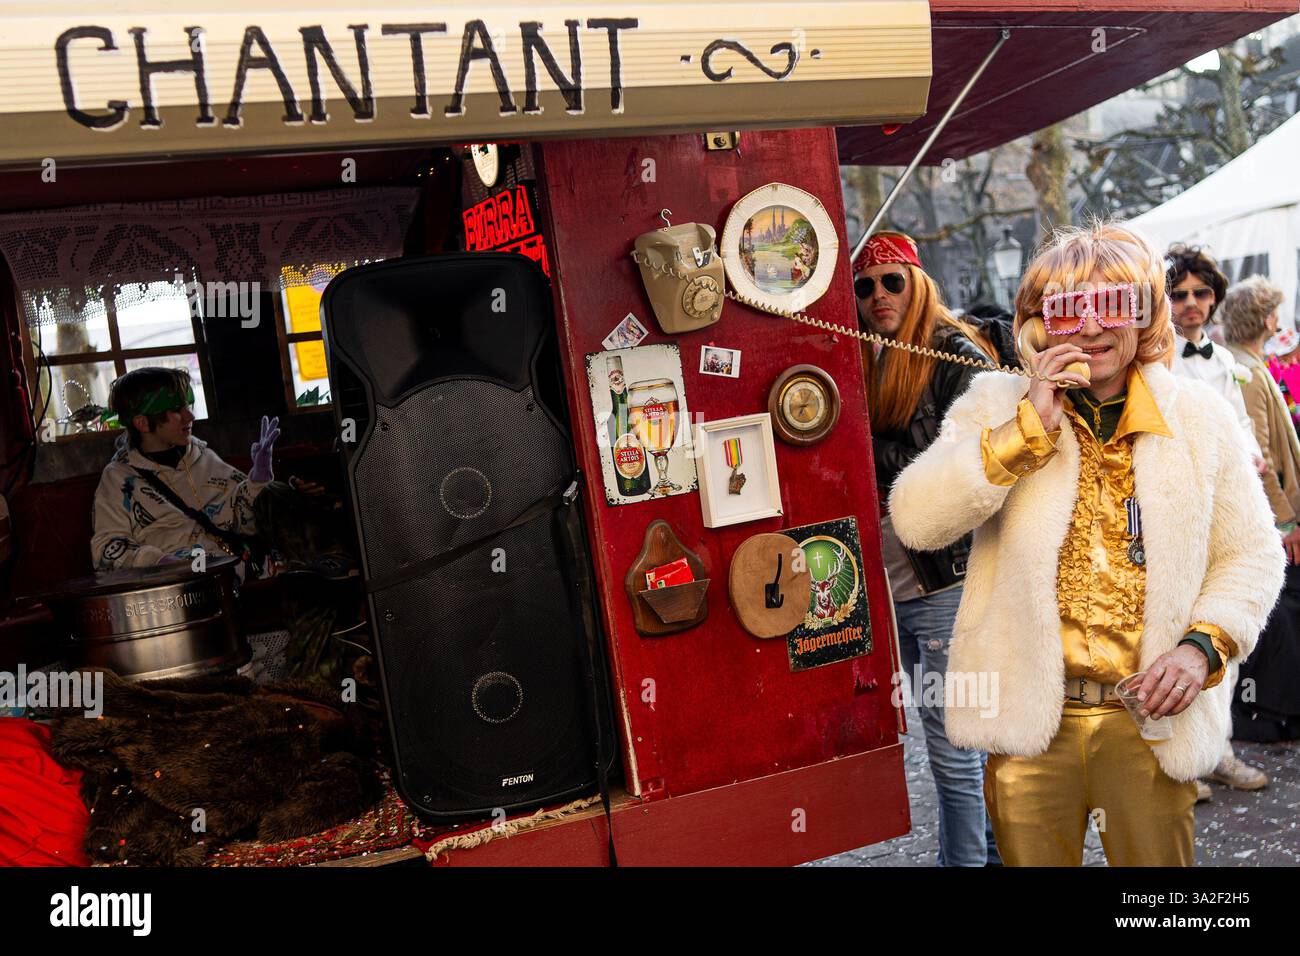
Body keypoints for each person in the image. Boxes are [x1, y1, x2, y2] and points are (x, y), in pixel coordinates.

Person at [888, 222, 1284, 866]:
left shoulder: (1197, 417)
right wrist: (1022, 431)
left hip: (1150, 722)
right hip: (1028, 723)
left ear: (1145, 314)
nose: (1092, 328)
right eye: (1071, 309)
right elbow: (916, 519)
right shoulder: (997, 402)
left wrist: (1202, 647)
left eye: (1114, 305)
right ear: (1041, 321)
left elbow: (1252, 553)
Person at [855, 230, 1002, 867]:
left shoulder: (954, 352)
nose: (878, 295)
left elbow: (973, 461)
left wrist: (863, 449)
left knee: (951, 748)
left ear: (920, 284)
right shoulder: (873, 352)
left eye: (893, 281)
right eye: (864, 285)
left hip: (946, 580)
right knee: (962, 739)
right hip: (902, 582)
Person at [91, 366, 352, 680]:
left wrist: (257, 480)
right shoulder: (118, 478)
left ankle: (326, 573)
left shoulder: (202, 455)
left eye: (189, 406)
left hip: (236, 566)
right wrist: (161, 561)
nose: (189, 418)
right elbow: (107, 550)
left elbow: (244, 521)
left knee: (276, 496)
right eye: (176, 410)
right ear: (142, 422)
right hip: (182, 587)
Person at [1164, 245, 1269, 795]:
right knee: (1174, 633)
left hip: (1224, 511)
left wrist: (1252, 458)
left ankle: (1219, 750)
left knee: (1222, 631)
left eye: (1200, 293)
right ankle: (1180, 764)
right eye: (1178, 294)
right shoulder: (1155, 361)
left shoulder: (1226, 363)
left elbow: (1239, 428)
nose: (1190, 304)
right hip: (1176, 511)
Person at [1221, 277, 1300, 744]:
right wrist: (1286, 520)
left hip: (1278, 514)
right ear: (1265, 317)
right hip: (1272, 521)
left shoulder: (1252, 363)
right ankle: (1268, 712)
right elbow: (1261, 457)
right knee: (1278, 617)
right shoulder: (1245, 370)